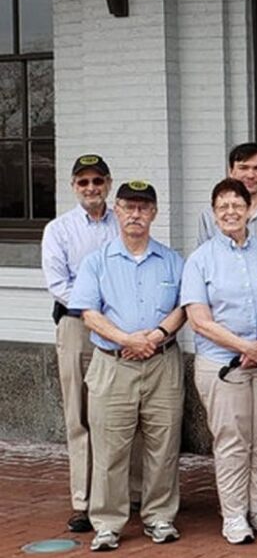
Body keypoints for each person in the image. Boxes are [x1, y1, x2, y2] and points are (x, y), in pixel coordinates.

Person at [69, 181, 185, 552]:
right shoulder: (97, 261)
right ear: (116, 211)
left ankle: (160, 516)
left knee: (163, 445)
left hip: (162, 363)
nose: (136, 214)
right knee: (110, 448)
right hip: (113, 364)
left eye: (143, 208)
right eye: (129, 207)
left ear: (154, 213)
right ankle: (107, 523)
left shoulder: (172, 260)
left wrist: (154, 336)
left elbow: (185, 307)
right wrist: (127, 340)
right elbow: (88, 312)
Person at [41, 154, 142, 533]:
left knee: (126, 411)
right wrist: (96, 314)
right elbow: (59, 284)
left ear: (108, 184)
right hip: (77, 327)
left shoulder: (125, 223)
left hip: (124, 329)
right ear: (73, 187)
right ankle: (83, 502)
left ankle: (130, 493)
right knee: (80, 416)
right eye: (83, 182)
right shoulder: (59, 230)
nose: (91, 189)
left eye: (97, 181)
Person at [181, 178, 257, 544]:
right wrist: (245, 346)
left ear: (249, 209)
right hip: (224, 365)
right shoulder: (200, 259)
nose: (230, 212)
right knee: (232, 441)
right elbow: (199, 319)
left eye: (237, 205)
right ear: (213, 212)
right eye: (222, 206)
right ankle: (235, 515)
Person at [198, 143, 257, 253]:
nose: (250, 175)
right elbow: (203, 259)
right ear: (231, 171)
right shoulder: (209, 216)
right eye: (243, 168)